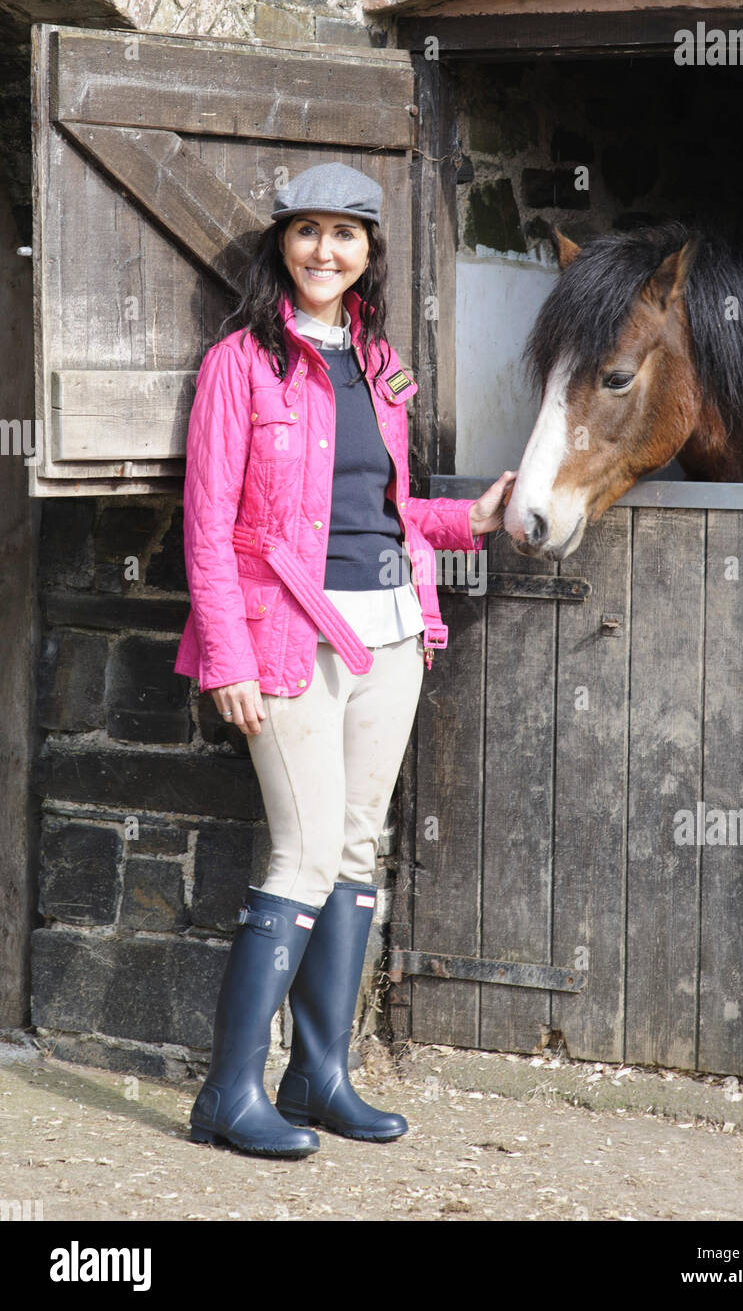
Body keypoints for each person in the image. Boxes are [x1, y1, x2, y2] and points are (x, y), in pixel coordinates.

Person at [174, 161, 514, 1157]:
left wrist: (466, 520)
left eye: (346, 234)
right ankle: (227, 1094)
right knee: (305, 853)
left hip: (393, 634)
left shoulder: (380, 365)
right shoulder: (240, 363)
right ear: (283, 243)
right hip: (283, 640)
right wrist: (226, 657)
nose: (325, 249)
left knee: (357, 851)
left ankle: (319, 1076)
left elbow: (386, 507)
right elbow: (206, 529)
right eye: (306, 230)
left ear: (369, 253)